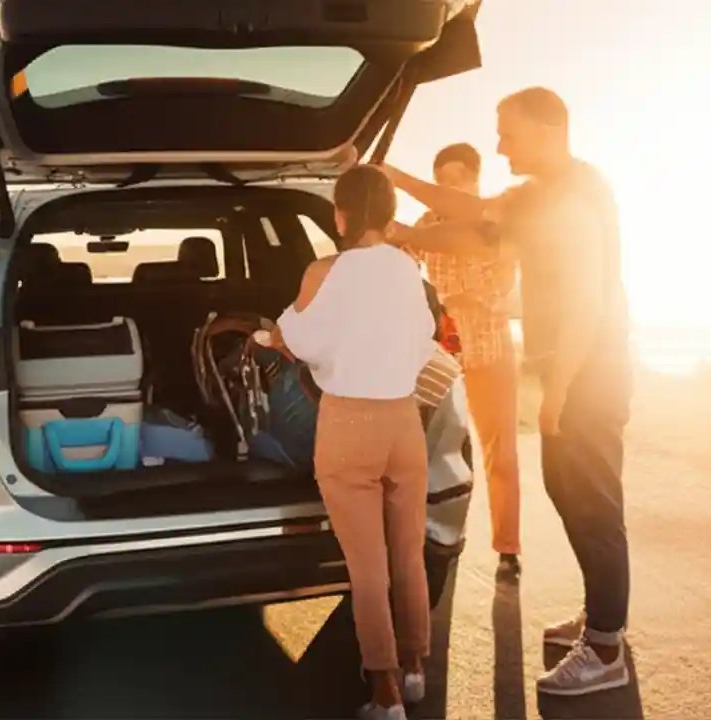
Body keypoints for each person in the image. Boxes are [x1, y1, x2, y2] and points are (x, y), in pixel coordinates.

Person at [381, 86, 634, 697]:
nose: (499, 144)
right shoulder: (536, 196)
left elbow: (586, 301)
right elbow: (468, 224)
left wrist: (560, 391)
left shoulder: (572, 199)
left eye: (509, 133)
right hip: (571, 370)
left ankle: (604, 647)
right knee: (570, 492)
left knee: (592, 503)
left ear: (547, 130)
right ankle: (603, 617)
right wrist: (394, 192)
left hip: (588, 372)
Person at [269, 165, 437, 720]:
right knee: (409, 551)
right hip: (403, 420)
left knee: (368, 568)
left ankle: (384, 691)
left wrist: (270, 335)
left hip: (349, 426)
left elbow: (298, 340)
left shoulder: (325, 271)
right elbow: (423, 342)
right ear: (388, 215)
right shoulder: (408, 268)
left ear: (340, 215)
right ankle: (415, 669)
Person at [413, 142, 522, 578]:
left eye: (457, 179)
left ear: (476, 178)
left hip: (491, 352)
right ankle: (432, 537)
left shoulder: (496, 223)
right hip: (441, 360)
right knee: (431, 453)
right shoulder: (426, 223)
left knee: (502, 455)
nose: (449, 188)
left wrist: (459, 298)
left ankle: (508, 549)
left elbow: (503, 287)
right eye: (442, 181)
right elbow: (401, 255)